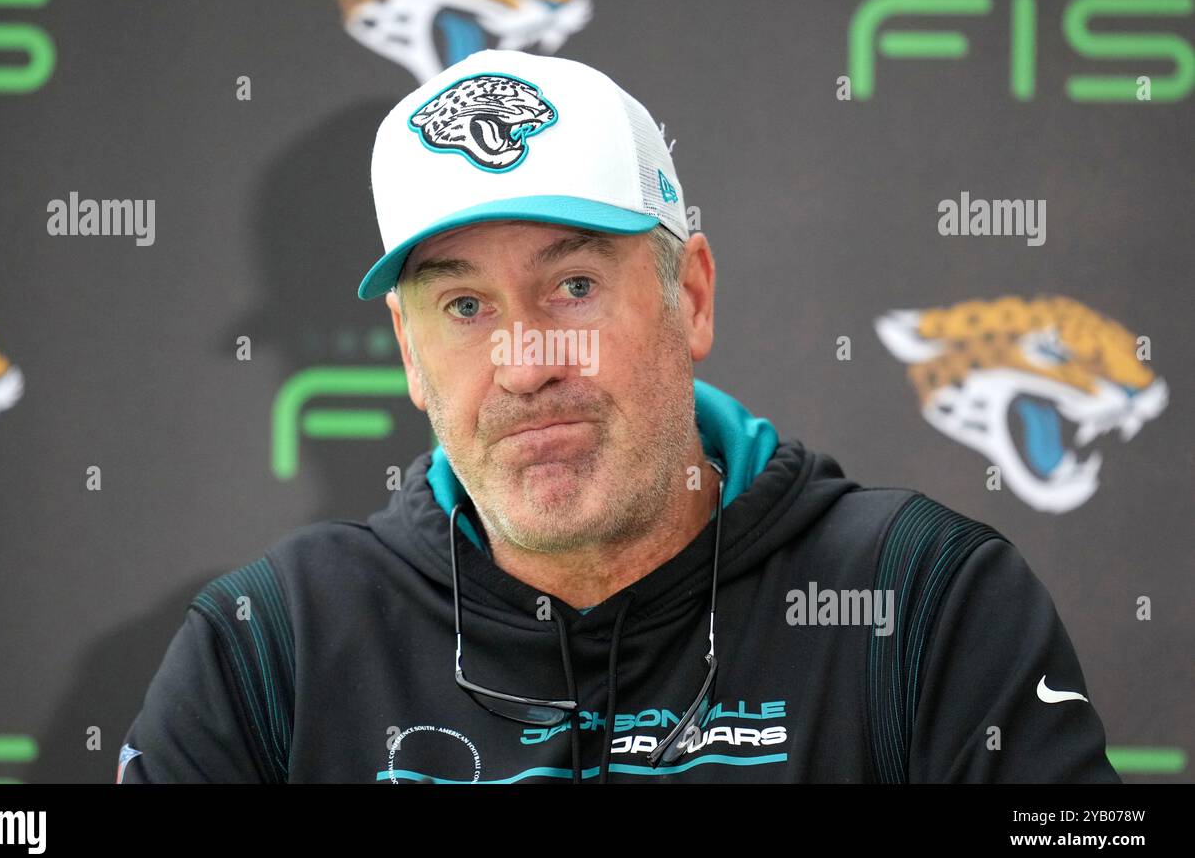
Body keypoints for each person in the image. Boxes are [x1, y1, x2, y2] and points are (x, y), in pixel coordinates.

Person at [118, 49, 1120, 783]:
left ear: (689, 294)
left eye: (575, 285)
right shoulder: (271, 644)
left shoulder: (924, 600)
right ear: (410, 353)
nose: (524, 365)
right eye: (464, 307)